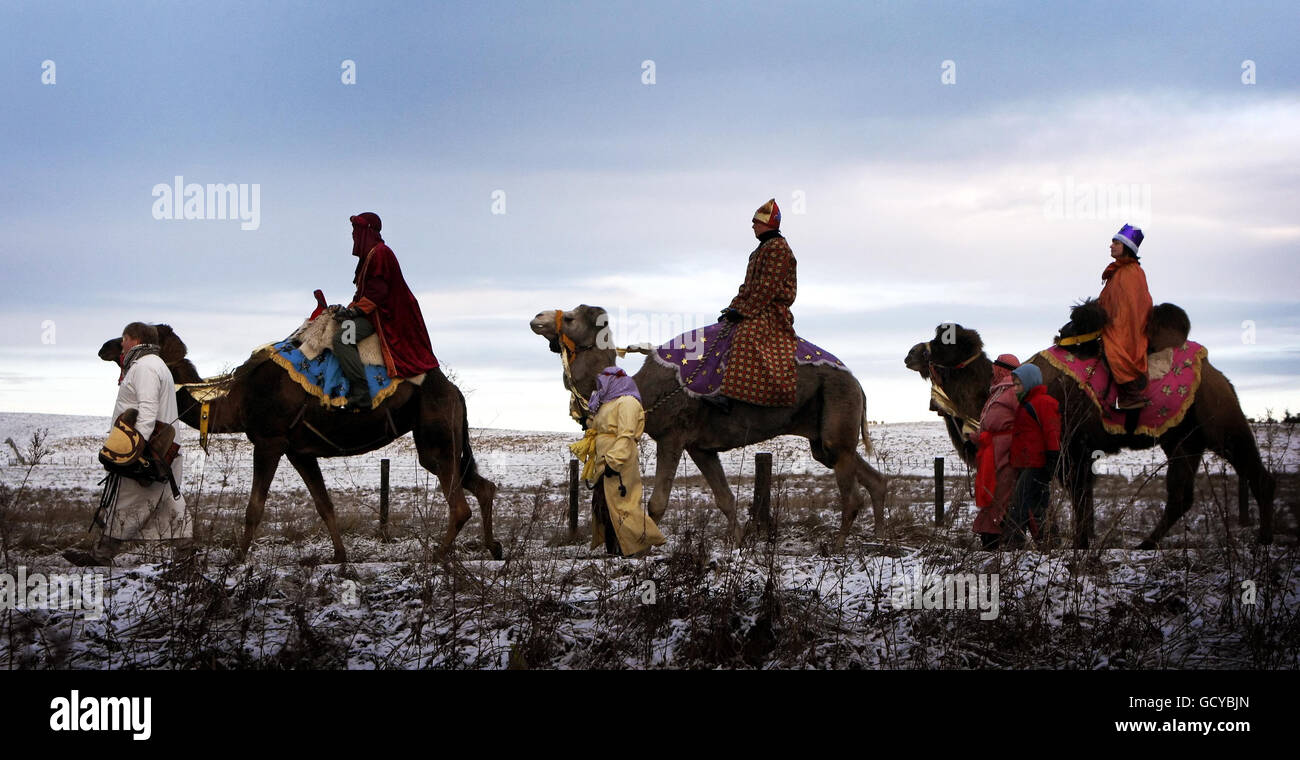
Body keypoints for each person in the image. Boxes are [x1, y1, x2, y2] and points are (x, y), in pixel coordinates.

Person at [65, 322, 192, 566]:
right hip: (161, 450)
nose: (121, 343)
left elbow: (147, 408)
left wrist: (137, 446)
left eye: (124, 338)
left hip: (148, 451)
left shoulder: (145, 368)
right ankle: (186, 555)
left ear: (134, 339)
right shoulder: (153, 365)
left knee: (126, 500)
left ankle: (101, 556)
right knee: (171, 501)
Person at [333, 212, 439, 409]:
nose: (354, 236)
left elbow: (378, 293)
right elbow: (364, 294)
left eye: (357, 231)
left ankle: (361, 392)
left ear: (367, 232)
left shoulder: (381, 253)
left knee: (341, 339)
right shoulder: (370, 255)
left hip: (382, 317)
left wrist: (354, 313)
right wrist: (347, 310)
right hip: (372, 313)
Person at [571, 367, 666, 556]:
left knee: (622, 505)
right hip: (603, 461)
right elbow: (602, 426)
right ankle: (615, 548)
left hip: (619, 461)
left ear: (615, 381)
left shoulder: (628, 402)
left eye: (604, 381)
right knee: (603, 505)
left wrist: (614, 461)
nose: (600, 386)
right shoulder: (607, 403)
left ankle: (636, 546)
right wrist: (587, 422)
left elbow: (626, 435)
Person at [716, 198, 798, 408]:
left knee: (746, 335)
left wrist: (743, 313)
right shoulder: (760, 250)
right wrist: (732, 308)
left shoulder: (778, 249)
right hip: (756, 306)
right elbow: (747, 287)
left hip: (771, 311)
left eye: (756, 222)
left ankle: (732, 398)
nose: (753, 226)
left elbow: (767, 289)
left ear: (767, 224)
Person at [1100, 223, 1153, 410]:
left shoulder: (1132, 273)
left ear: (1127, 248)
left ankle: (1129, 395)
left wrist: (1112, 324)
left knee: (1115, 348)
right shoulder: (1117, 272)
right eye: (1112, 242)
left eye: (1116, 242)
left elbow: (1131, 309)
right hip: (1111, 322)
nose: (1111, 245)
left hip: (1126, 328)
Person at [970, 354, 1020, 549]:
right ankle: (994, 538)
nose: (992, 373)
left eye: (995, 369)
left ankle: (997, 539)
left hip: (1005, 453)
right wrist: (975, 438)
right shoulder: (998, 391)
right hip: (993, 452)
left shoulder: (1013, 391)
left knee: (1000, 493)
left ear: (1001, 369)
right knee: (995, 492)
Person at [1007, 363, 1061, 544]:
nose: (1015, 388)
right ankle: (1048, 541)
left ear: (1029, 382)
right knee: (1036, 505)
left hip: (1037, 464)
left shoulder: (1043, 403)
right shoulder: (1027, 403)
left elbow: (1051, 431)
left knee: (1020, 502)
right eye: (1013, 384)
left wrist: (1052, 458)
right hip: (1027, 463)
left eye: (1018, 384)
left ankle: (1013, 542)